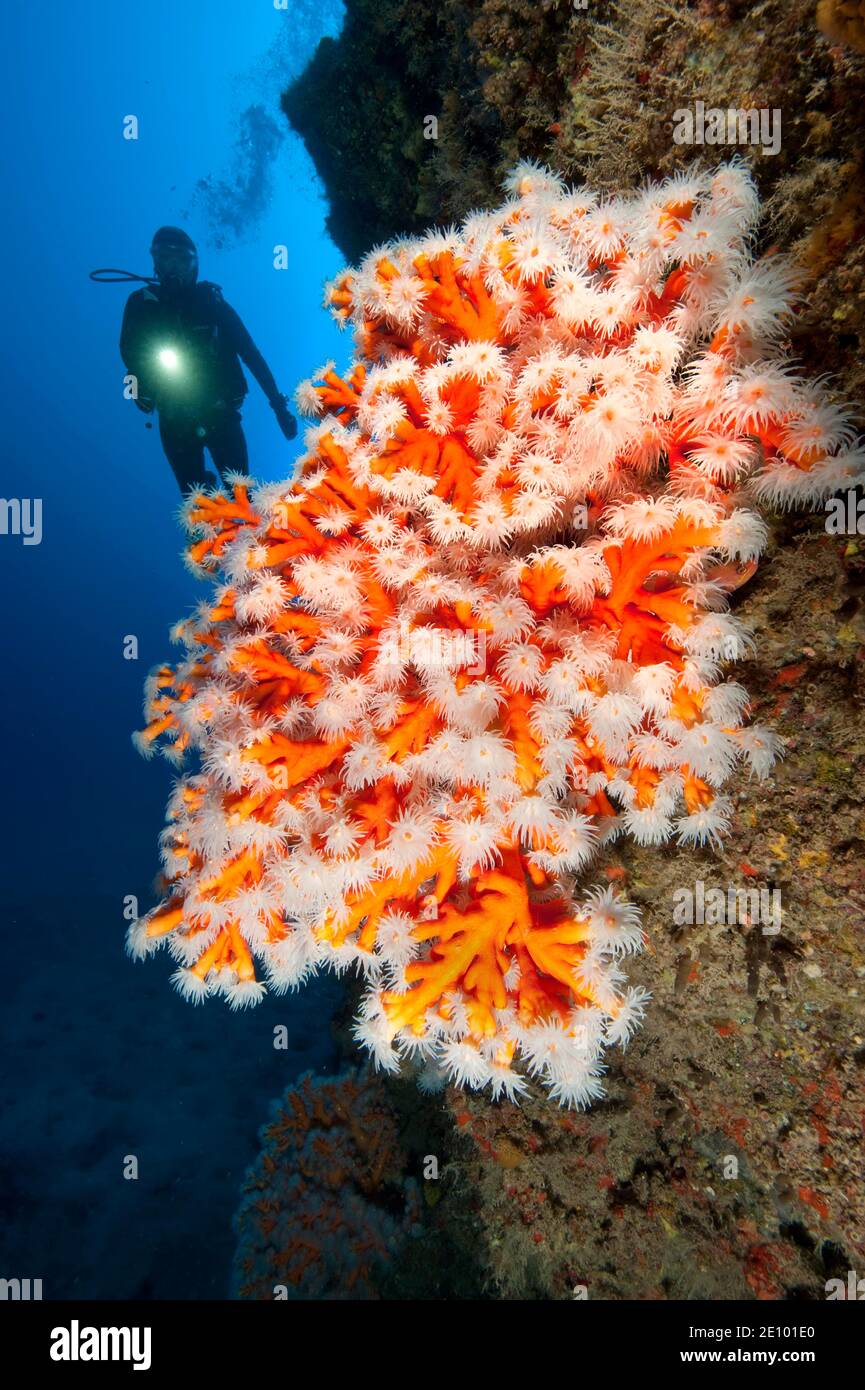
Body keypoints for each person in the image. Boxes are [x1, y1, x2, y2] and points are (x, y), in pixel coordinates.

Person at [120, 226, 297, 494]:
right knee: (196, 507)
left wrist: (278, 406)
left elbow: (250, 353)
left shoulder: (213, 304)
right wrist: (135, 385)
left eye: (182, 260)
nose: (173, 267)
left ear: (194, 264)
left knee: (241, 494)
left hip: (221, 412)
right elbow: (128, 351)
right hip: (173, 418)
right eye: (165, 259)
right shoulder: (141, 304)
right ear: (155, 261)